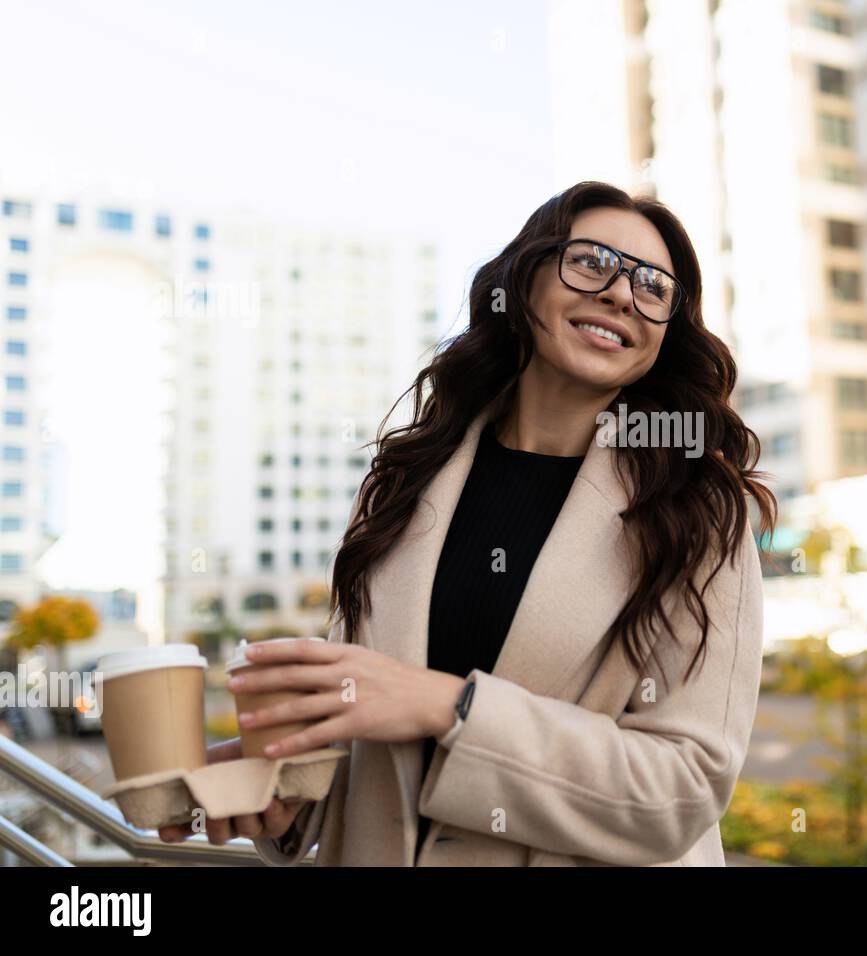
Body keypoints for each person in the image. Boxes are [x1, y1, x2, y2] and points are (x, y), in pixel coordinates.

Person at [159, 180, 775, 865]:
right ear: (524, 279)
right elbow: (378, 747)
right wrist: (284, 786)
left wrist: (449, 707)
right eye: (591, 263)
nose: (622, 294)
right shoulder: (402, 479)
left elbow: (683, 790)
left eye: (653, 287)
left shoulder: (698, 513)